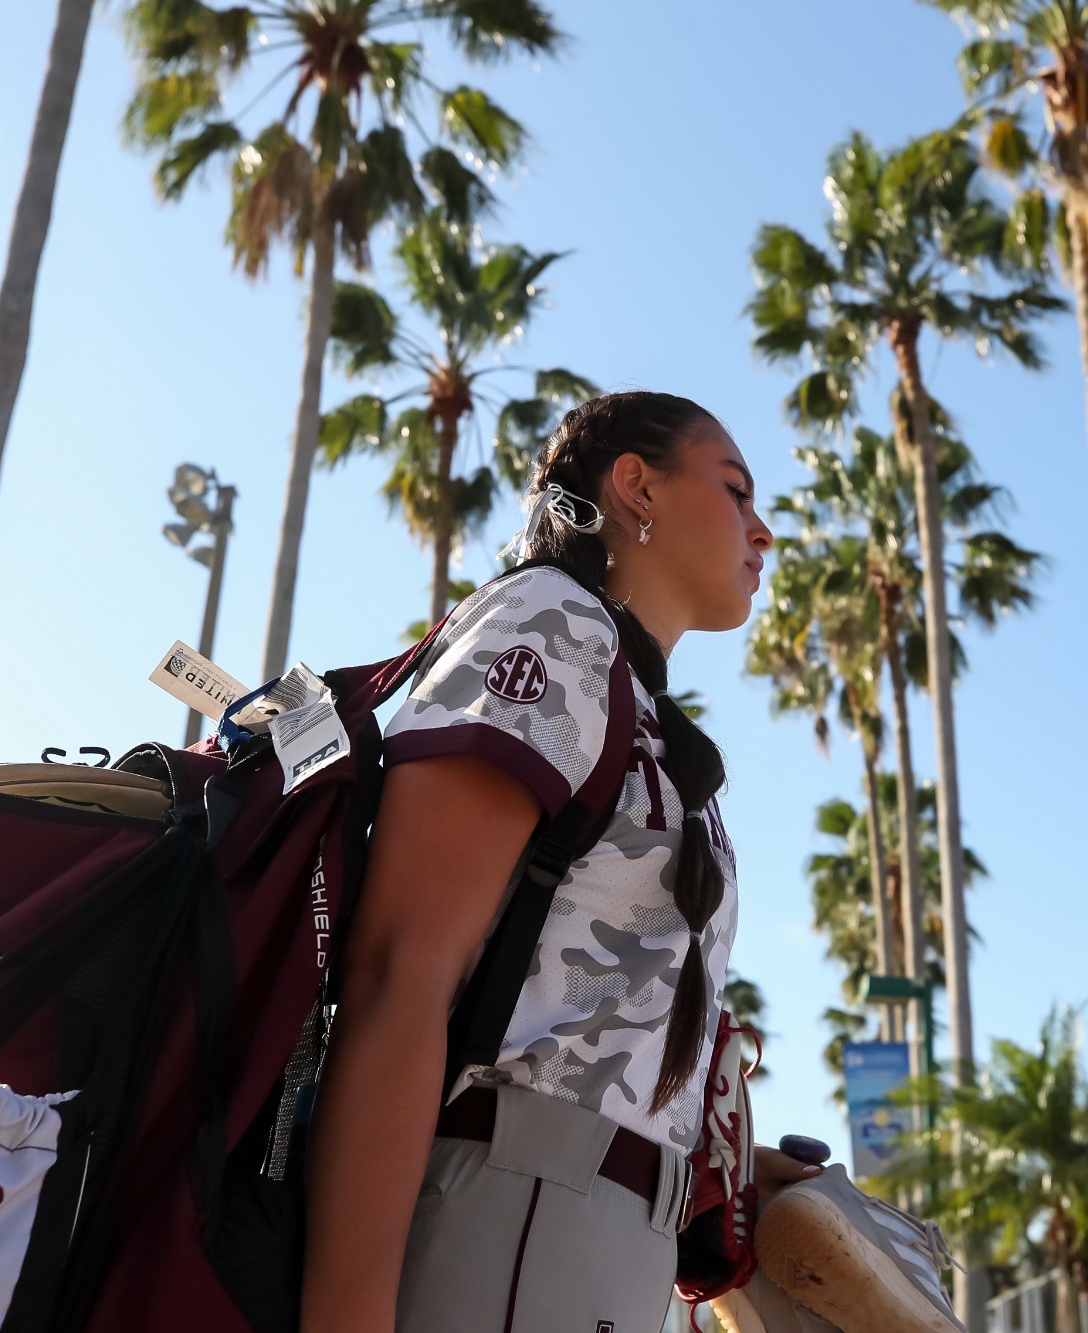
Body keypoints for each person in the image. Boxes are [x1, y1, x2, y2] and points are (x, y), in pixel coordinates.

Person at [299, 391, 819, 1333]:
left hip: (606, 1239)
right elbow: (399, 974)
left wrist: (727, 1164)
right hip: (513, 1216)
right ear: (635, 487)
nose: (764, 529)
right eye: (737, 491)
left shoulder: (642, 701)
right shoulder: (547, 620)